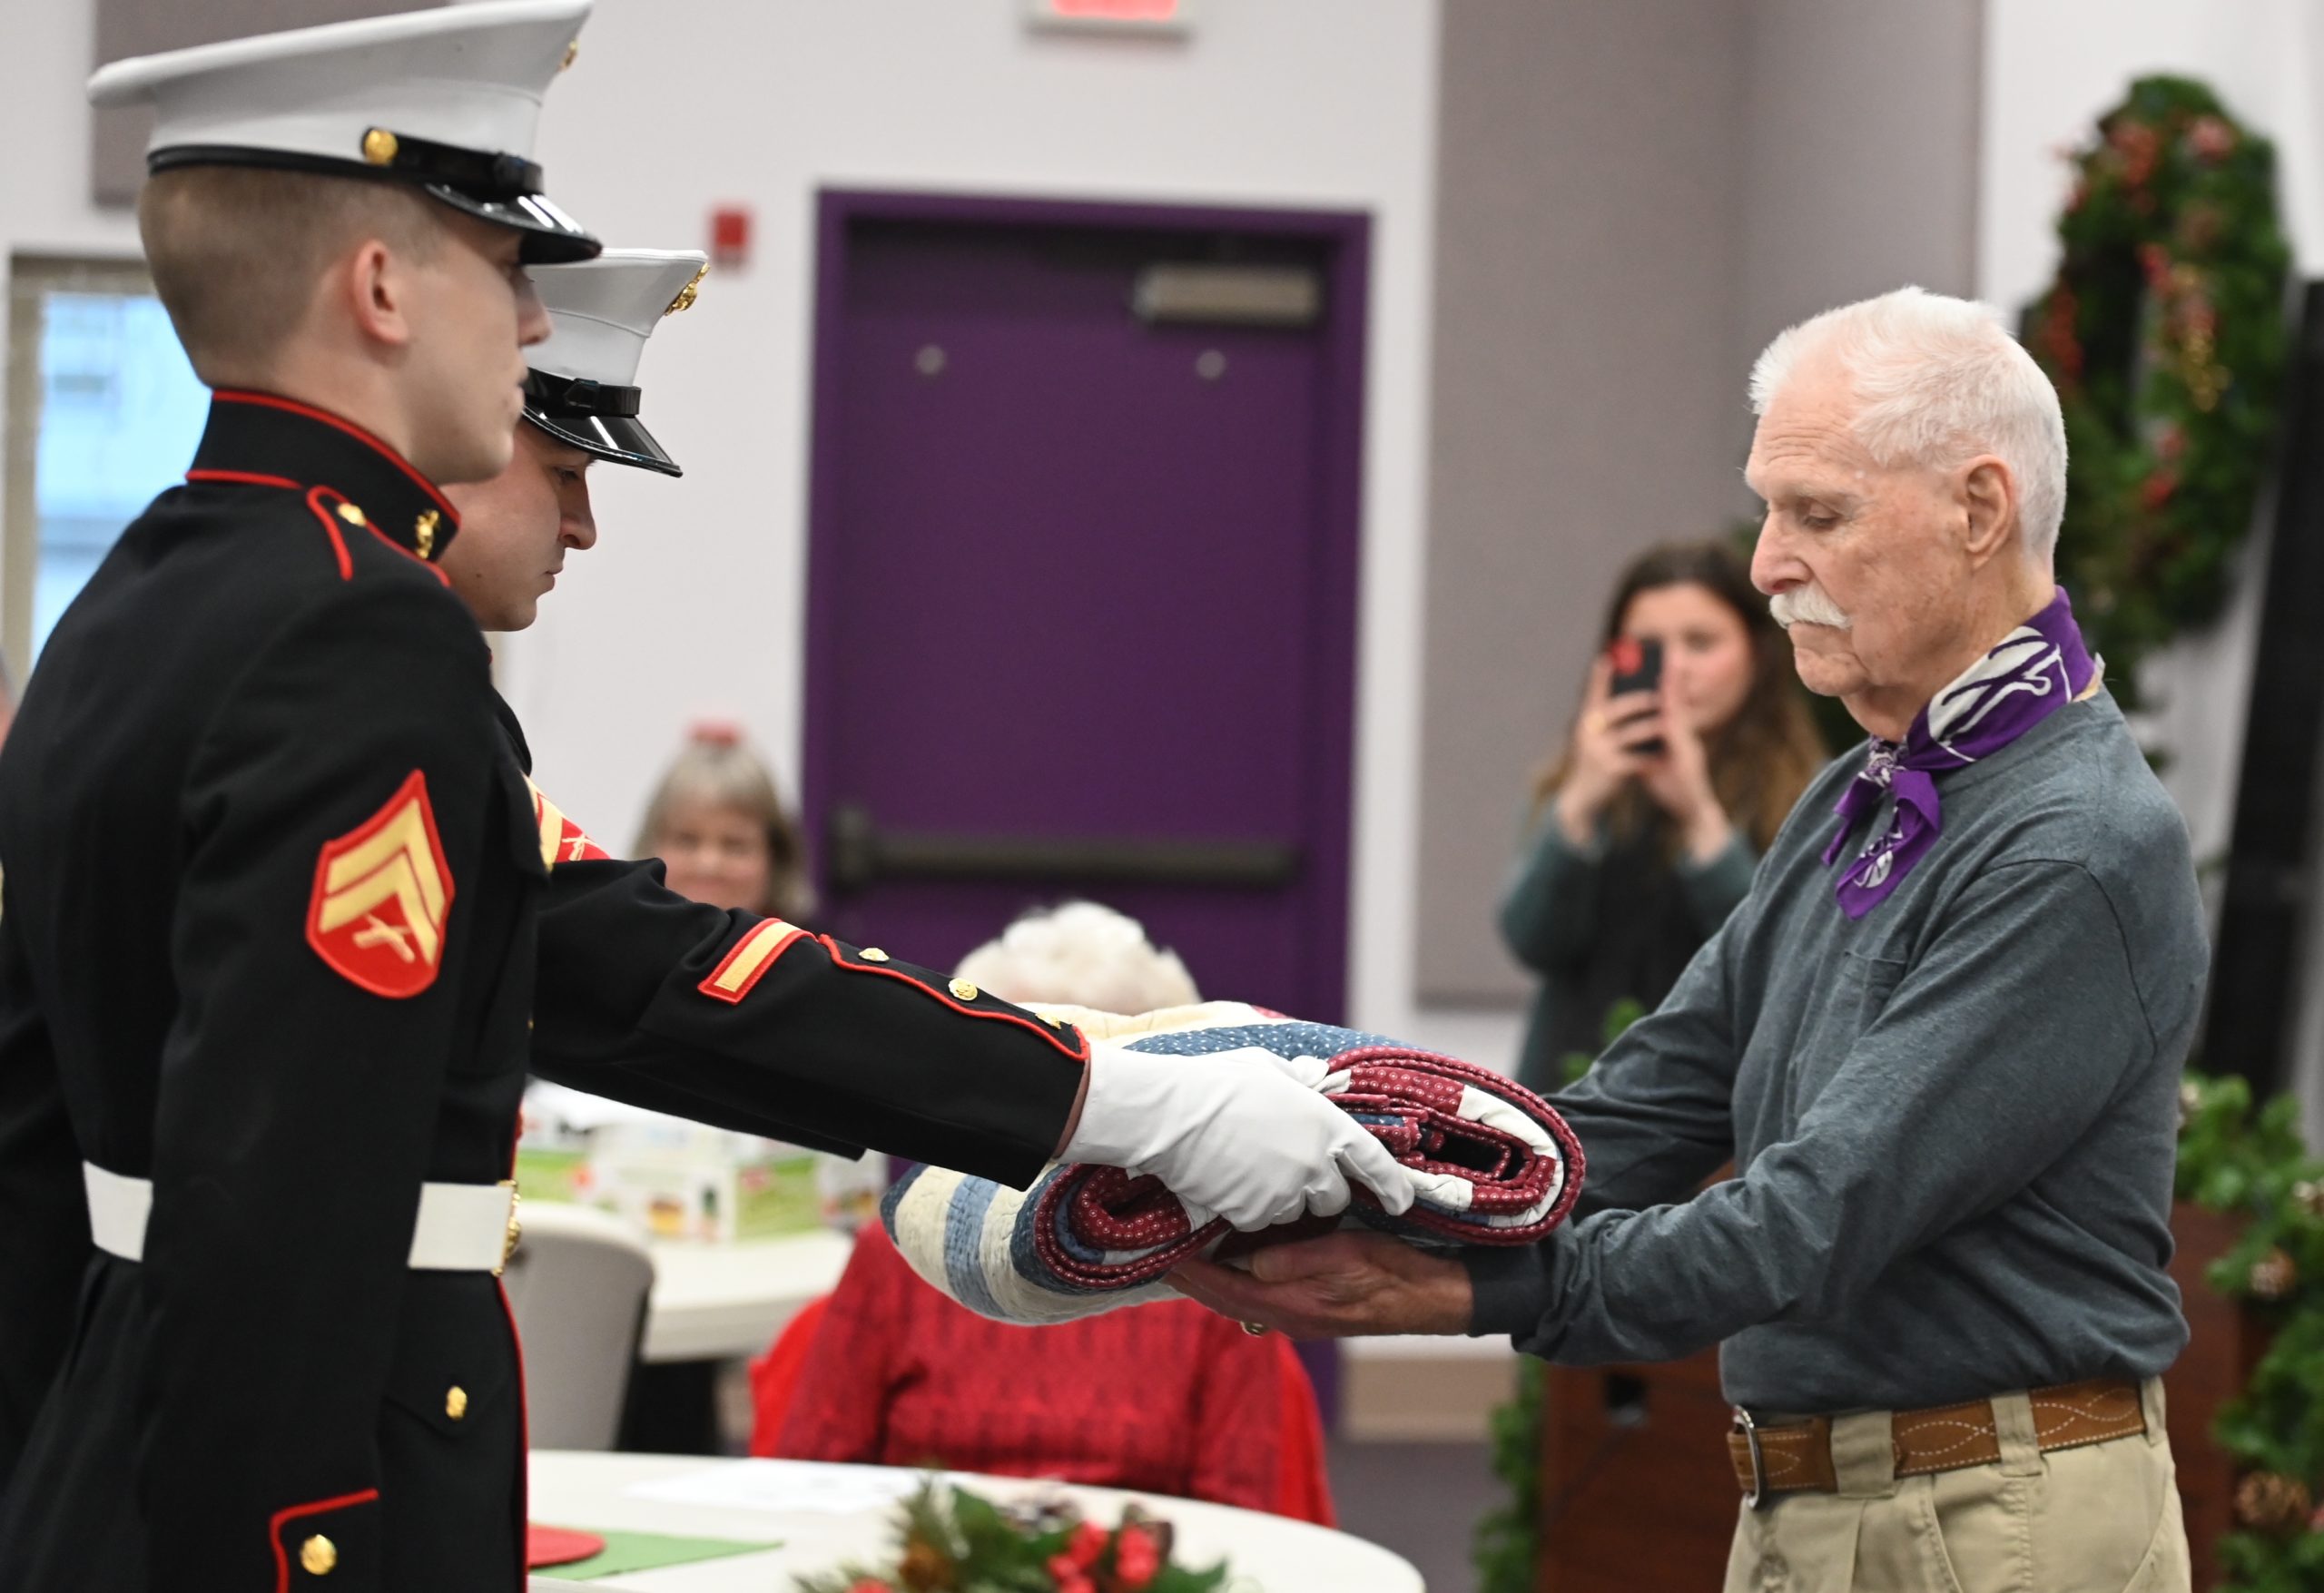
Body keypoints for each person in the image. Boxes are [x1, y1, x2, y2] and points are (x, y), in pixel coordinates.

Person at [0, 22, 1410, 1593]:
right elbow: (276, 1202)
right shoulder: (357, 631)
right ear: (383, 291)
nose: (533, 312)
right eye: (499, 261)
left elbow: (619, 971)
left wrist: (1115, 1094)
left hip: (98, 1465)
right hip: (293, 1505)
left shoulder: (135, 600)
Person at [1173, 286, 2206, 1590]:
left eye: (1817, 513)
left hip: (1993, 1520)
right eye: (1772, 509)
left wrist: (1467, 1292)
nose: (1769, 561)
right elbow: (1647, 1109)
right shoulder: (1861, 791)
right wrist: (1356, 1174)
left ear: (1979, 508)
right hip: (1832, 1501)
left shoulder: (2076, 838)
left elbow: (1814, 1214)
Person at [762, 903, 1328, 1520]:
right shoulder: (897, 1253)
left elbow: (1251, 1524)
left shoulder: (1212, 1267)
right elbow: (811, 1482)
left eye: (1095, 1088)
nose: (1058, 1123)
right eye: (1017, 1079)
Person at [1502, 541, 1825, 1089]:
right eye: (1648, 646)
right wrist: (1580, 804)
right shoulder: (1584, 776)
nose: (1673, 670)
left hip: (1711, 1113)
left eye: (1700, 644)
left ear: (1756, 653)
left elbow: (1781, 964)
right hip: (1570, 1093)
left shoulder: (1810, 794)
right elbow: (1531, 940)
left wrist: (1699, 817)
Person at [633, 724, 818, 923]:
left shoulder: (809, 952)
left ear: (776, 857)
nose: (708, 865)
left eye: (734, 845)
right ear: (652, 845)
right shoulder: (611, 947)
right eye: (687, 841)